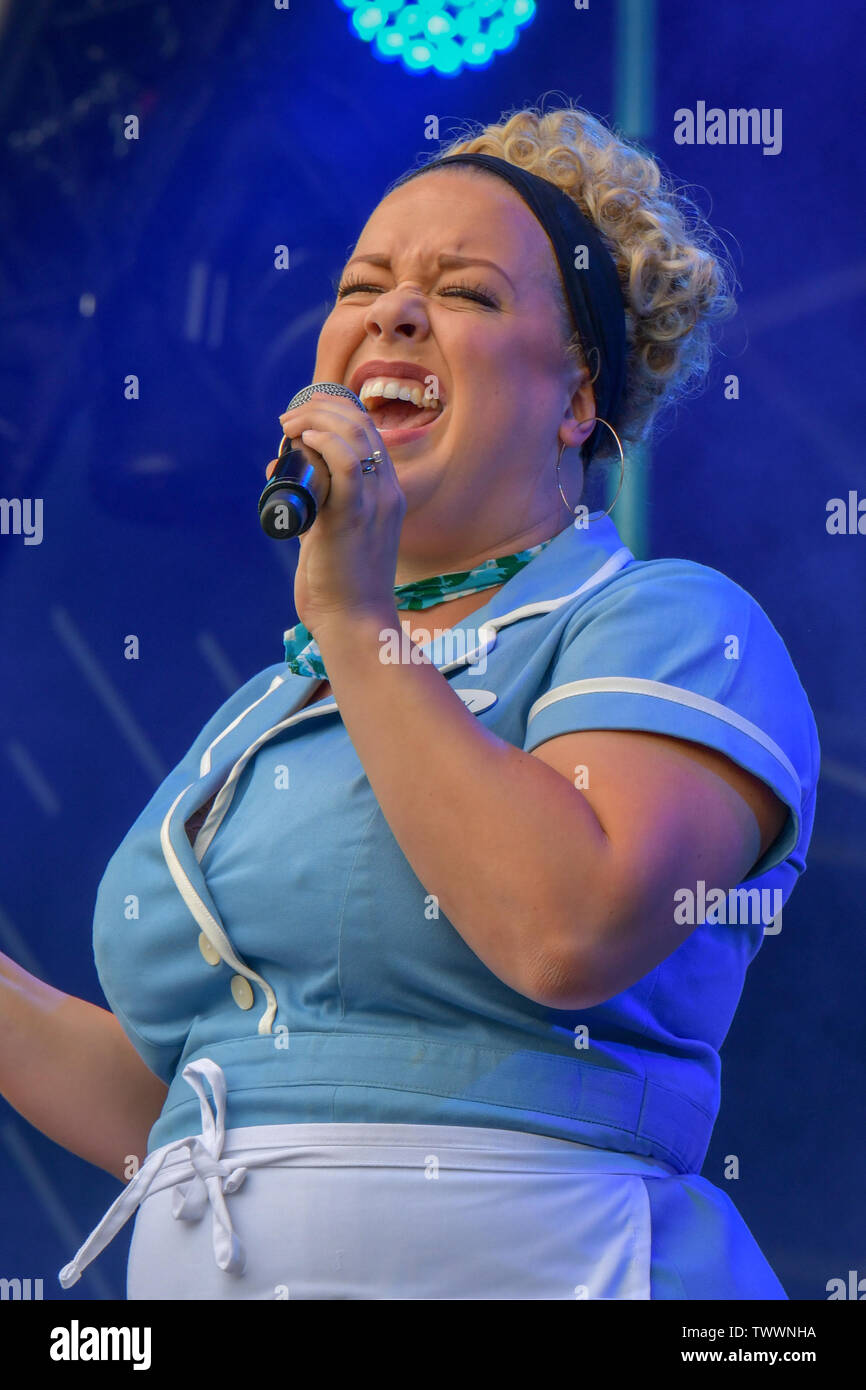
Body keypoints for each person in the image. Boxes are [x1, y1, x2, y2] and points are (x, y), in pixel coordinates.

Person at [0, 103, 818, 1300]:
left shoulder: (667, 623)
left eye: (469, 294)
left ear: (575, 397)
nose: (388, 310)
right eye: (362, 284)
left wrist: (359, 619)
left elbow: (565, 922)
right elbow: (192, 1104)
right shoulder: (263, 710)